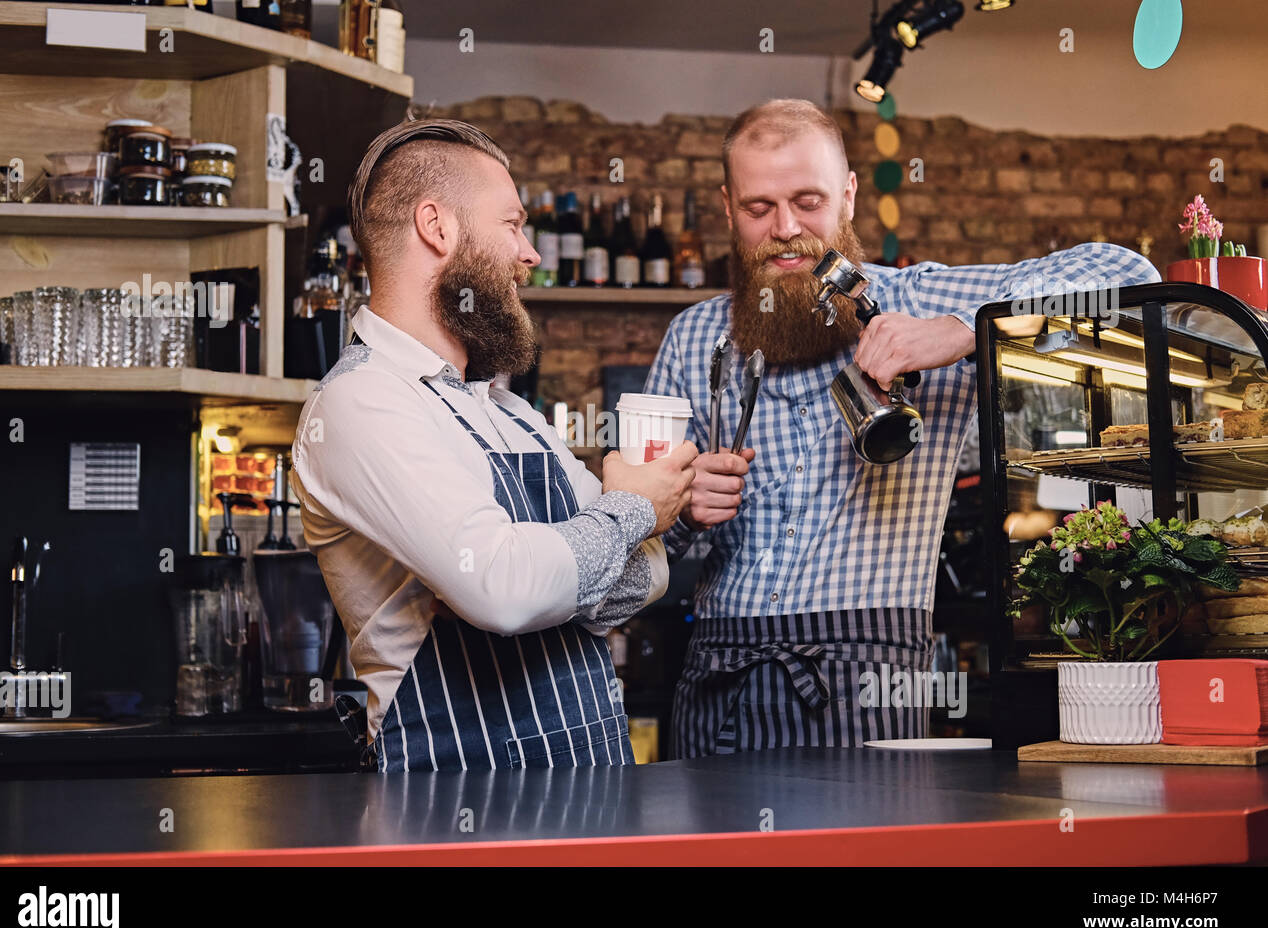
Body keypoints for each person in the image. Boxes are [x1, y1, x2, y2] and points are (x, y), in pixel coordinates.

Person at [646, 99, 1161, 758]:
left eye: (809, 201)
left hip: (870, 672)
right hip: (716, 671)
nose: (785, 228)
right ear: (726, 207)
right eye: (757, 208)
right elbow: (638, 536)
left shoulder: (923, 301)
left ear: (850, 195)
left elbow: (1128, 278)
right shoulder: (693, 338)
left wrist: (959, 331)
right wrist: (683, 507)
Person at [291, 119, 696, 771]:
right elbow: (503, 591)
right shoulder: (360, 402)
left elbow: (637, 581)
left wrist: (622, 530)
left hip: (590, 788)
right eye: (512, 224)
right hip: (457, 803)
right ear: (437, 226)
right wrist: (629, 512)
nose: (530, 253)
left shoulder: (510, 412)